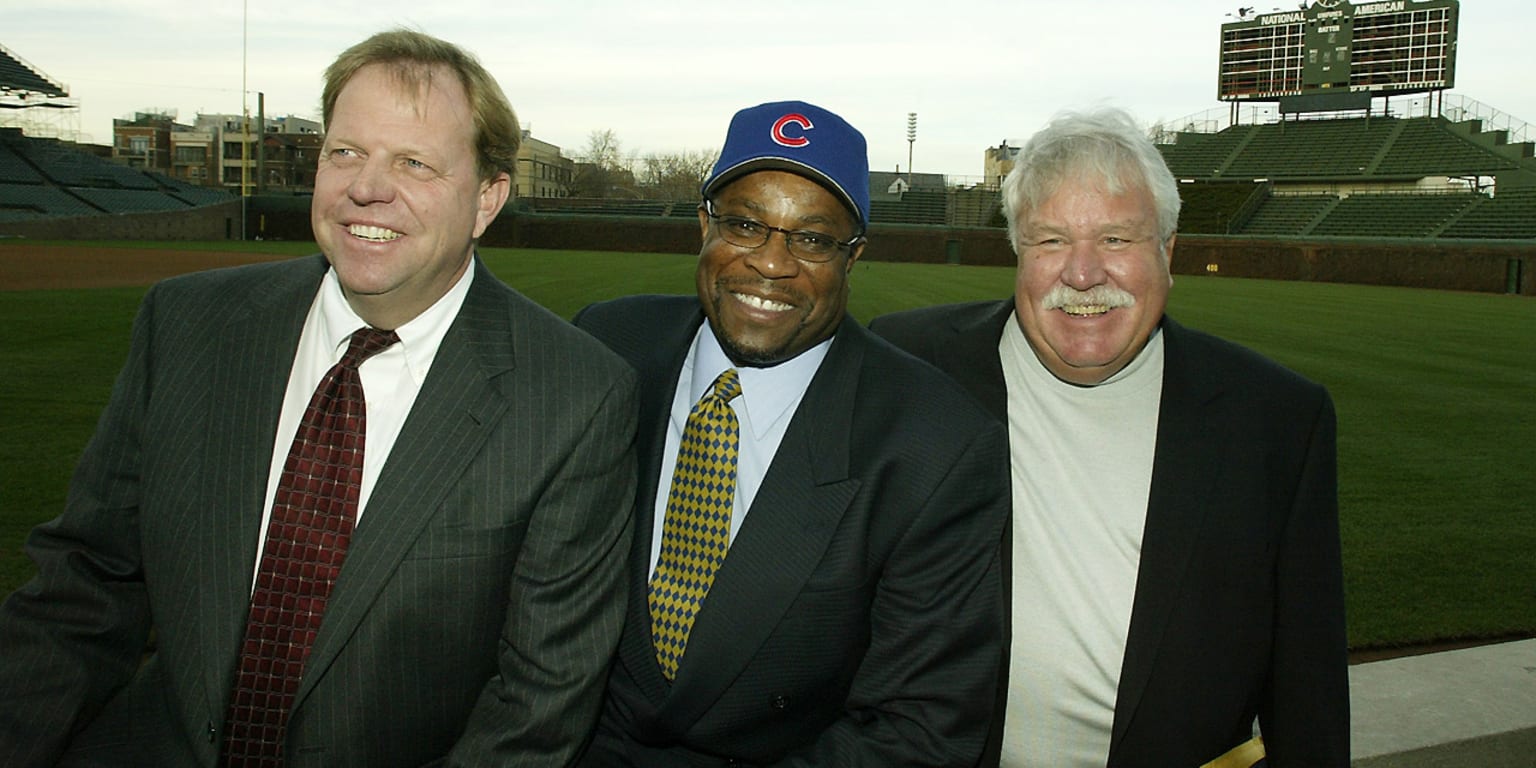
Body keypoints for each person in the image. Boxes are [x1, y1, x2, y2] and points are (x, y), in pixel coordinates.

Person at [0, 29, 637, 767]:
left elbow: (535, 709)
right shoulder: (187, 324)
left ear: (487, 198)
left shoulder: (576, 396)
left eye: (414, 162)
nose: (367, 186)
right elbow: (87, 584)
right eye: (345, 152)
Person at [870, 107, 1349, 768]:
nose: (1084, 273)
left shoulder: (1275, 419)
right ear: (1018, 250)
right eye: (1051, 240)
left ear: (1168, 251)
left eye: (1118, 240)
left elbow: (1309, 688)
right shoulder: (911, 364)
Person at [571, 100, 1009, 766]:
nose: (771, 263)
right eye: (745, 224)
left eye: (811, 238)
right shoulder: (607, 345)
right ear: (704, 226)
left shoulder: (935, 445)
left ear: (853, 256)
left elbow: (921, 727)